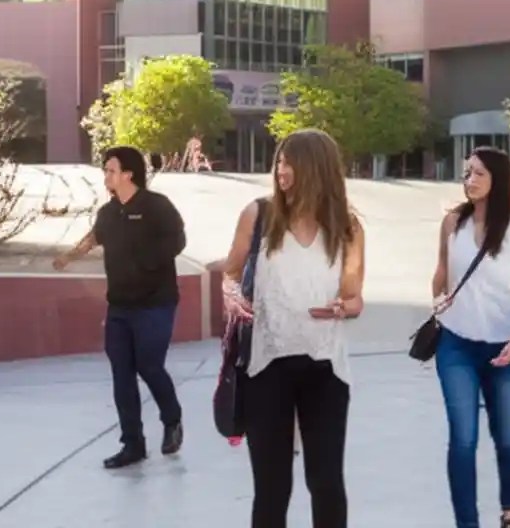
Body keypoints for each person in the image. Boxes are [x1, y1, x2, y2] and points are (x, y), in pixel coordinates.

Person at [221, 128, 365, 528]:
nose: (281, 171)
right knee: (271, 487)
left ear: (315, 170)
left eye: (290, 163)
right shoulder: (259, 215)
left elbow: (355, 297)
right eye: (279, 161)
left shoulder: (348, 228)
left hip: (326, 369)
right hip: (267, 367)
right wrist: (232, 295)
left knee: (326, 482)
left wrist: (342, 307)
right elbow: (231, 272)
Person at [53, 146, 186, 469]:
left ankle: (172, 419)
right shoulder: (109, 212)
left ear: (128, 173)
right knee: (121, 374)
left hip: (155, 303)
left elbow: (177, 240)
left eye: (111, 170)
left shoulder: (156, 206)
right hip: (120, 307)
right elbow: (94, 236)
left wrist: (147, 261)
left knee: (149, 365)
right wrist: (70, 256)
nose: (106, 176)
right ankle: (133, 444)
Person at [432, 147, 510, 527]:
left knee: (507, 435)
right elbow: (441, 274)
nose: (470, 180)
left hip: (505, 348)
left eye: (478, 173)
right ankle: (467, 522)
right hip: (456, 344)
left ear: (498, 179)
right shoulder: (451, 224)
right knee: (463, 437)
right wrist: (438, 298)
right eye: (466, 173)